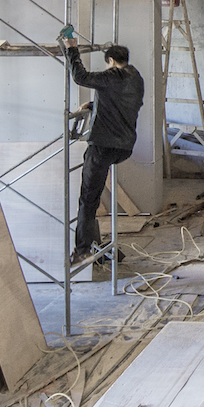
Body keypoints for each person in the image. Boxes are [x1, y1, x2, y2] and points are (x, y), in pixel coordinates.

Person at [63, 36, 145, 267]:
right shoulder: (135, 77)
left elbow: (80, 77)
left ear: (110, 61)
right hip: (124, 146)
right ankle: (94, 244)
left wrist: (72, 50)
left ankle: (82, 251)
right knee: (92, 195)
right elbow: (118, 101)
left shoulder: (111, 76)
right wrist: (92, 105)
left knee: (88, 199)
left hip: (103, 146)